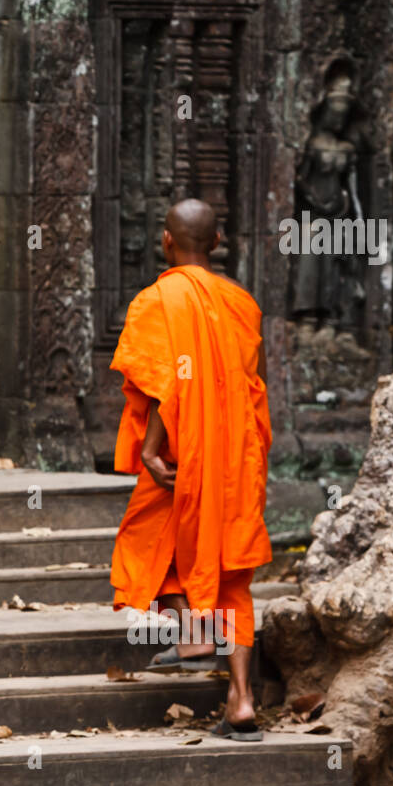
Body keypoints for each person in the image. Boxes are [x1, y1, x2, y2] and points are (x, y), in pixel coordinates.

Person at [109, 199, 272, 741]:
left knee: (149, 542)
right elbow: (256, 389)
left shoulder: (158, 299)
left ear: (166, 242)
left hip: (183, 455)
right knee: (231, 575)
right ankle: (242, 699)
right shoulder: (243, 304)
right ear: (218, 241)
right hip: (237, 461)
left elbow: (166, 383)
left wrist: (154, 450)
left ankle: (195, 630)